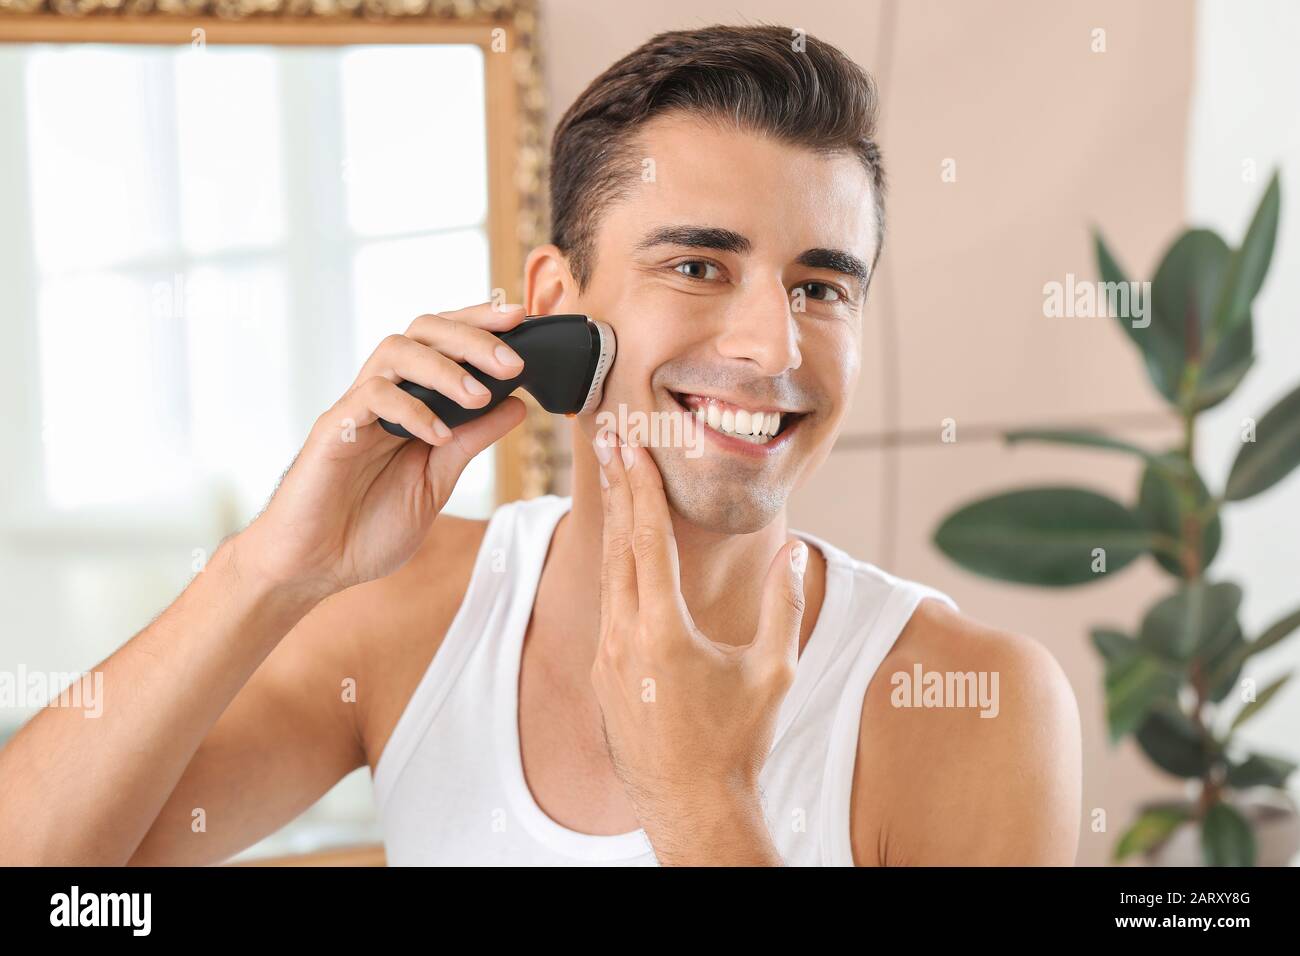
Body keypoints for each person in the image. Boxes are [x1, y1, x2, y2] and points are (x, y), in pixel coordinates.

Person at [0, 24, 1080, 866]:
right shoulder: (413, 614)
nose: (768, 344)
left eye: (818, 286)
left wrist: (701, 800)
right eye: (698, 266)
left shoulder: (971, 699)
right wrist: (268, 570)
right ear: (557, 305)